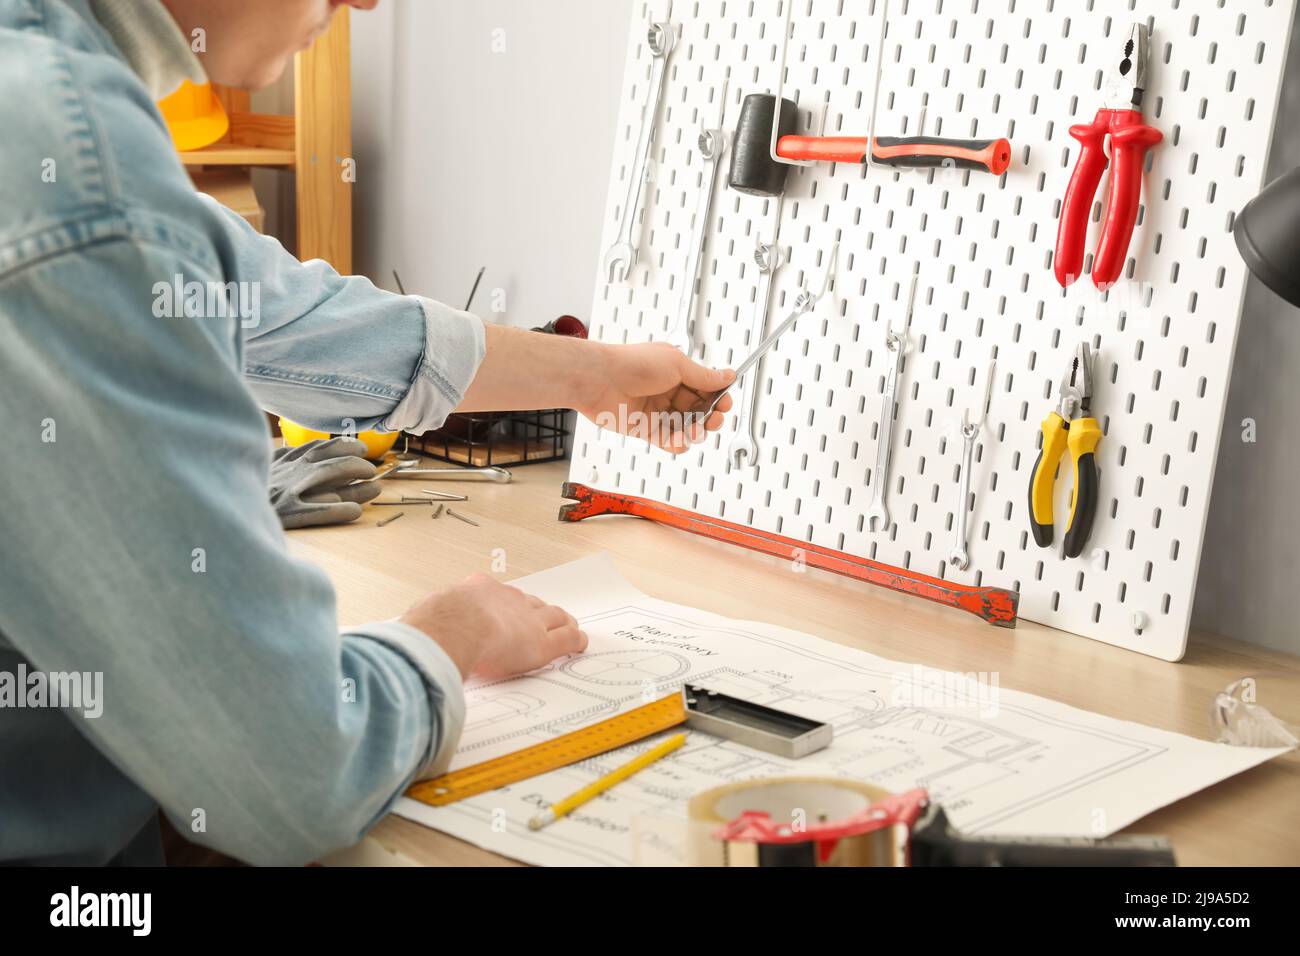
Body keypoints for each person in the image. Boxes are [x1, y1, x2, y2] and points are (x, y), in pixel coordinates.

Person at [0, 0, 734, 865]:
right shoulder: (77, 169)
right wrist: (447, 635)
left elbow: (282, 315)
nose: (367, 5)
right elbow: (289, 774)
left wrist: (594, 376)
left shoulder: (50, 101)